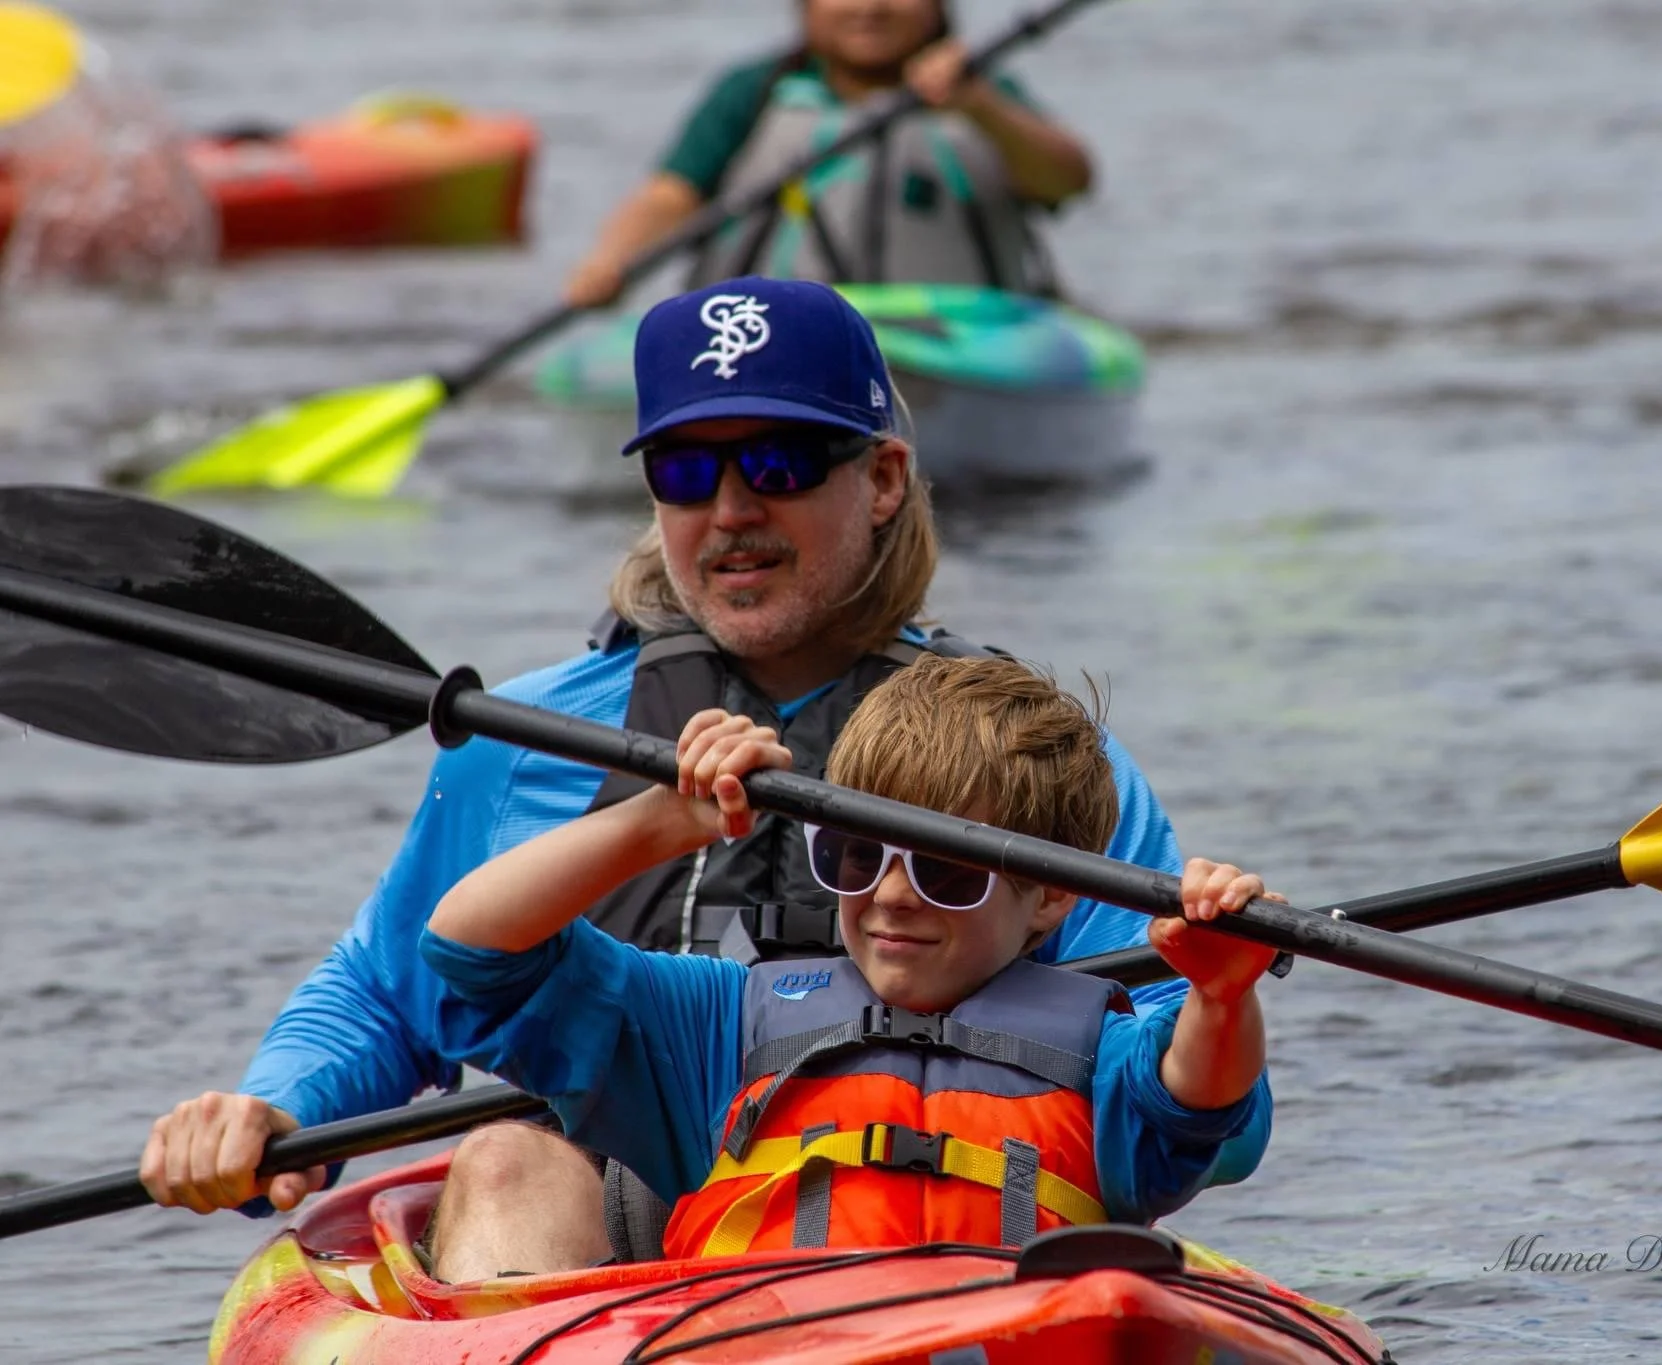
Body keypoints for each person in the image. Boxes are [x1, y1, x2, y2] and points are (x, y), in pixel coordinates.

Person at [137, 277, 1252, 1261]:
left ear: (880, 478)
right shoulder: (527, 736)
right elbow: (394, 988)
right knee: (503, 1160)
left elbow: (1184, 1081)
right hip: (619, 1244)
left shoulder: (1029, 763)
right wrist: (276, 1111)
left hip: (963, 1229)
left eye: (776, 462)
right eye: (684, 469)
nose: (729, 512)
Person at [421, 656, 1275, 1275]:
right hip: (750, 1341)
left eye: (945, 870)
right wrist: (654, 825)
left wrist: (1221, 989)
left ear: (1049, 898)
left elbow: (1204, 1096)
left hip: (1003, 1334)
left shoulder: (1106, 1048)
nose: (893, 895)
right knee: (503, 1158)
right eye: (856, 856)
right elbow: (472, 946)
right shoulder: (727, 1024)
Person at [564, 0, 1092, 307]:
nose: (870, 8)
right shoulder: (755, 91)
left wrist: (981, 108)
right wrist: (612, 260)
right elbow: (671, 196)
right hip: (778, 328)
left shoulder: (984, 97)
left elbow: (1068, 180)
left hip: (955, 335)